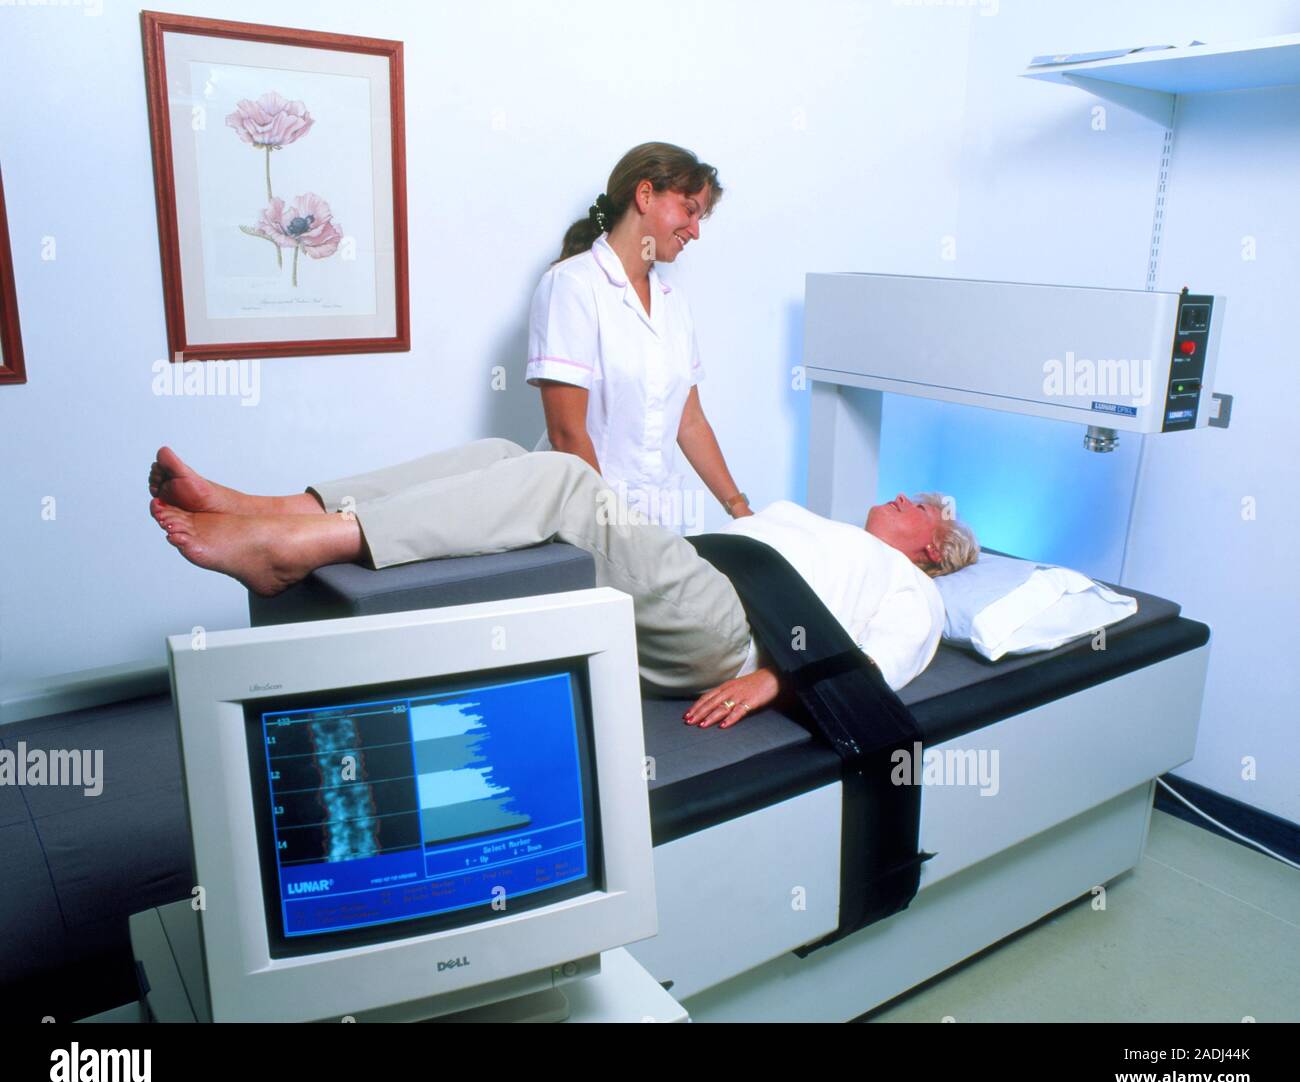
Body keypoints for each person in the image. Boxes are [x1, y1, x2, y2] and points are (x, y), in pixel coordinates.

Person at [147, 440, 979, 728]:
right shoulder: (822, 526)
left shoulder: (916, 591)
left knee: (567, 483)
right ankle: (277, 509)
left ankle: (295, 548)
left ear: (934, 549)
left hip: (730, 628)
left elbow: (884, 665)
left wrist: (775, 677)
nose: (903, 497)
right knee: (508, 458)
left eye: (920, 505)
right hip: (700, 581)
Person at [527, 142, 751, 534]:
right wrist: (617, 531)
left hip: (660, 528)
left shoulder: (673, 304)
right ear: (645, 195)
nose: (696, 231)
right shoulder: (572, 286)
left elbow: (691, 421)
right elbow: (567, 433)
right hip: (590, 526)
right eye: (689, 210)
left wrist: (741, 511)